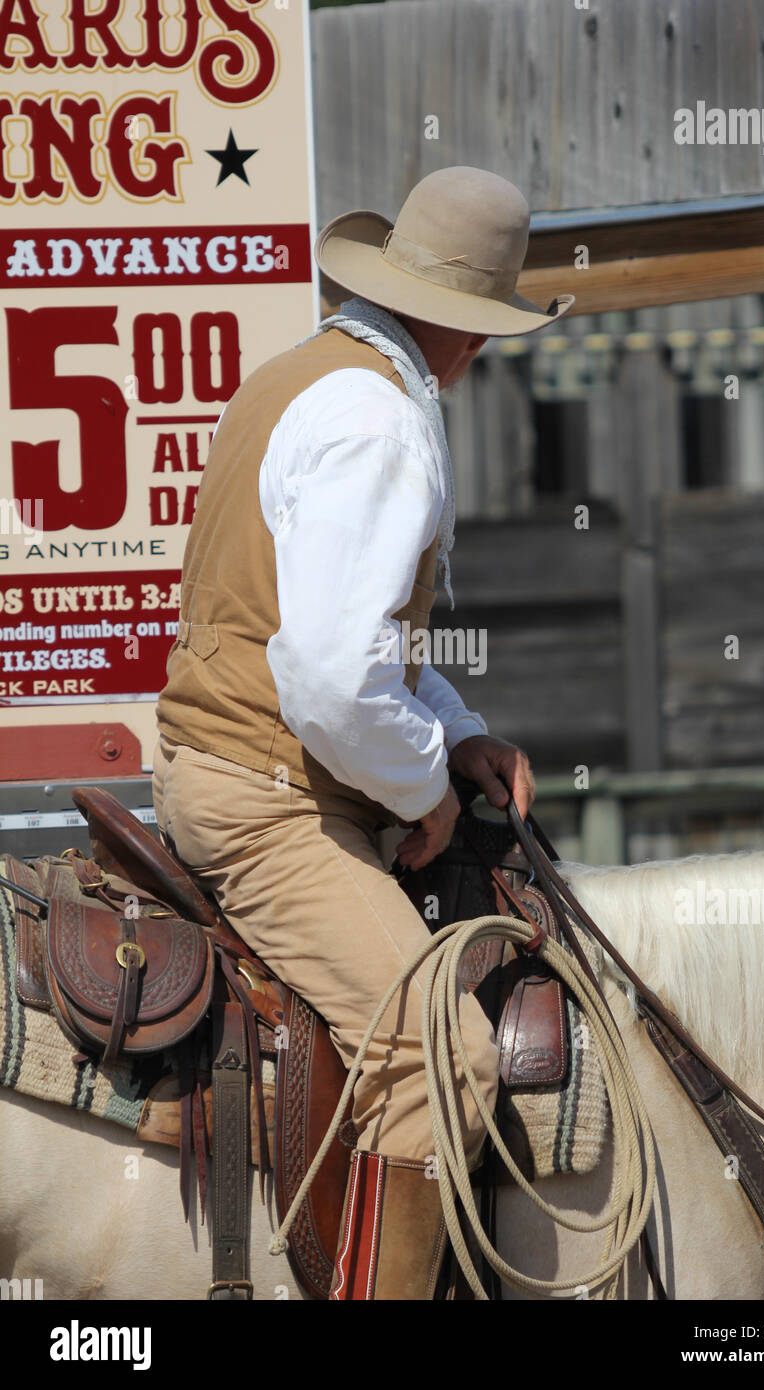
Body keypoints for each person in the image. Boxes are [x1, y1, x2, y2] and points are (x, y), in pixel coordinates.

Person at [152, 165, 574, 1300]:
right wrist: (427, 788)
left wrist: (456, 729)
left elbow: (338, 632)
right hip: (268, 794)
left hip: (228, 762)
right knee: (438, 1061)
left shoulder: (300, 378)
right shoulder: (382, 422)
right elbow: (335, 683)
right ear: (466, 330)